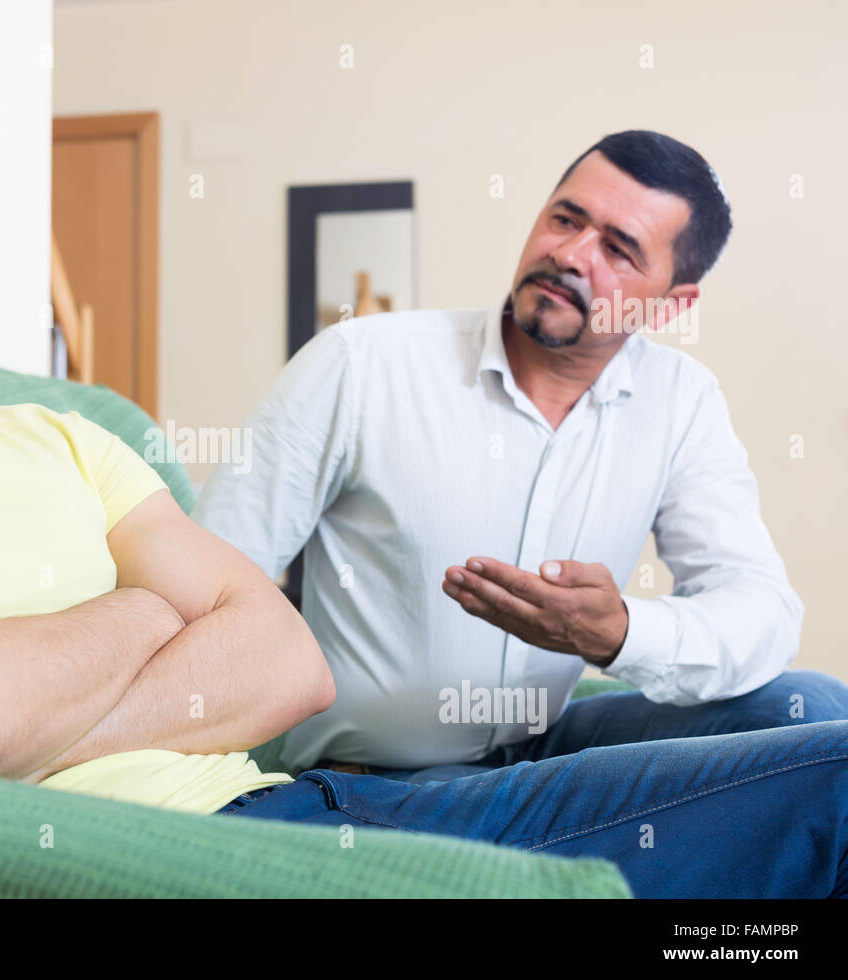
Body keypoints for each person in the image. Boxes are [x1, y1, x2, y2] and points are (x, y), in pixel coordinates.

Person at [0, 83, 848, 897]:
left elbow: (279, 655)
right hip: (317, 799)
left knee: (804, 705)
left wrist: (624, 631)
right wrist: (158, 611)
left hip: (335, 777)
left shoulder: (61, 437)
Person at [191, 129, 848, 896]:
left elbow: (764, 610)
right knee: (833, 780)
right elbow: (210, 580)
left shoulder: (681, 401)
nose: (572, 254)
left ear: (673, 304)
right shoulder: (362, 365)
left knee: (815, 708)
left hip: (546, 746)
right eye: (565, 218)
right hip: (387, 782)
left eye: (619, 249)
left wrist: (623, 633)